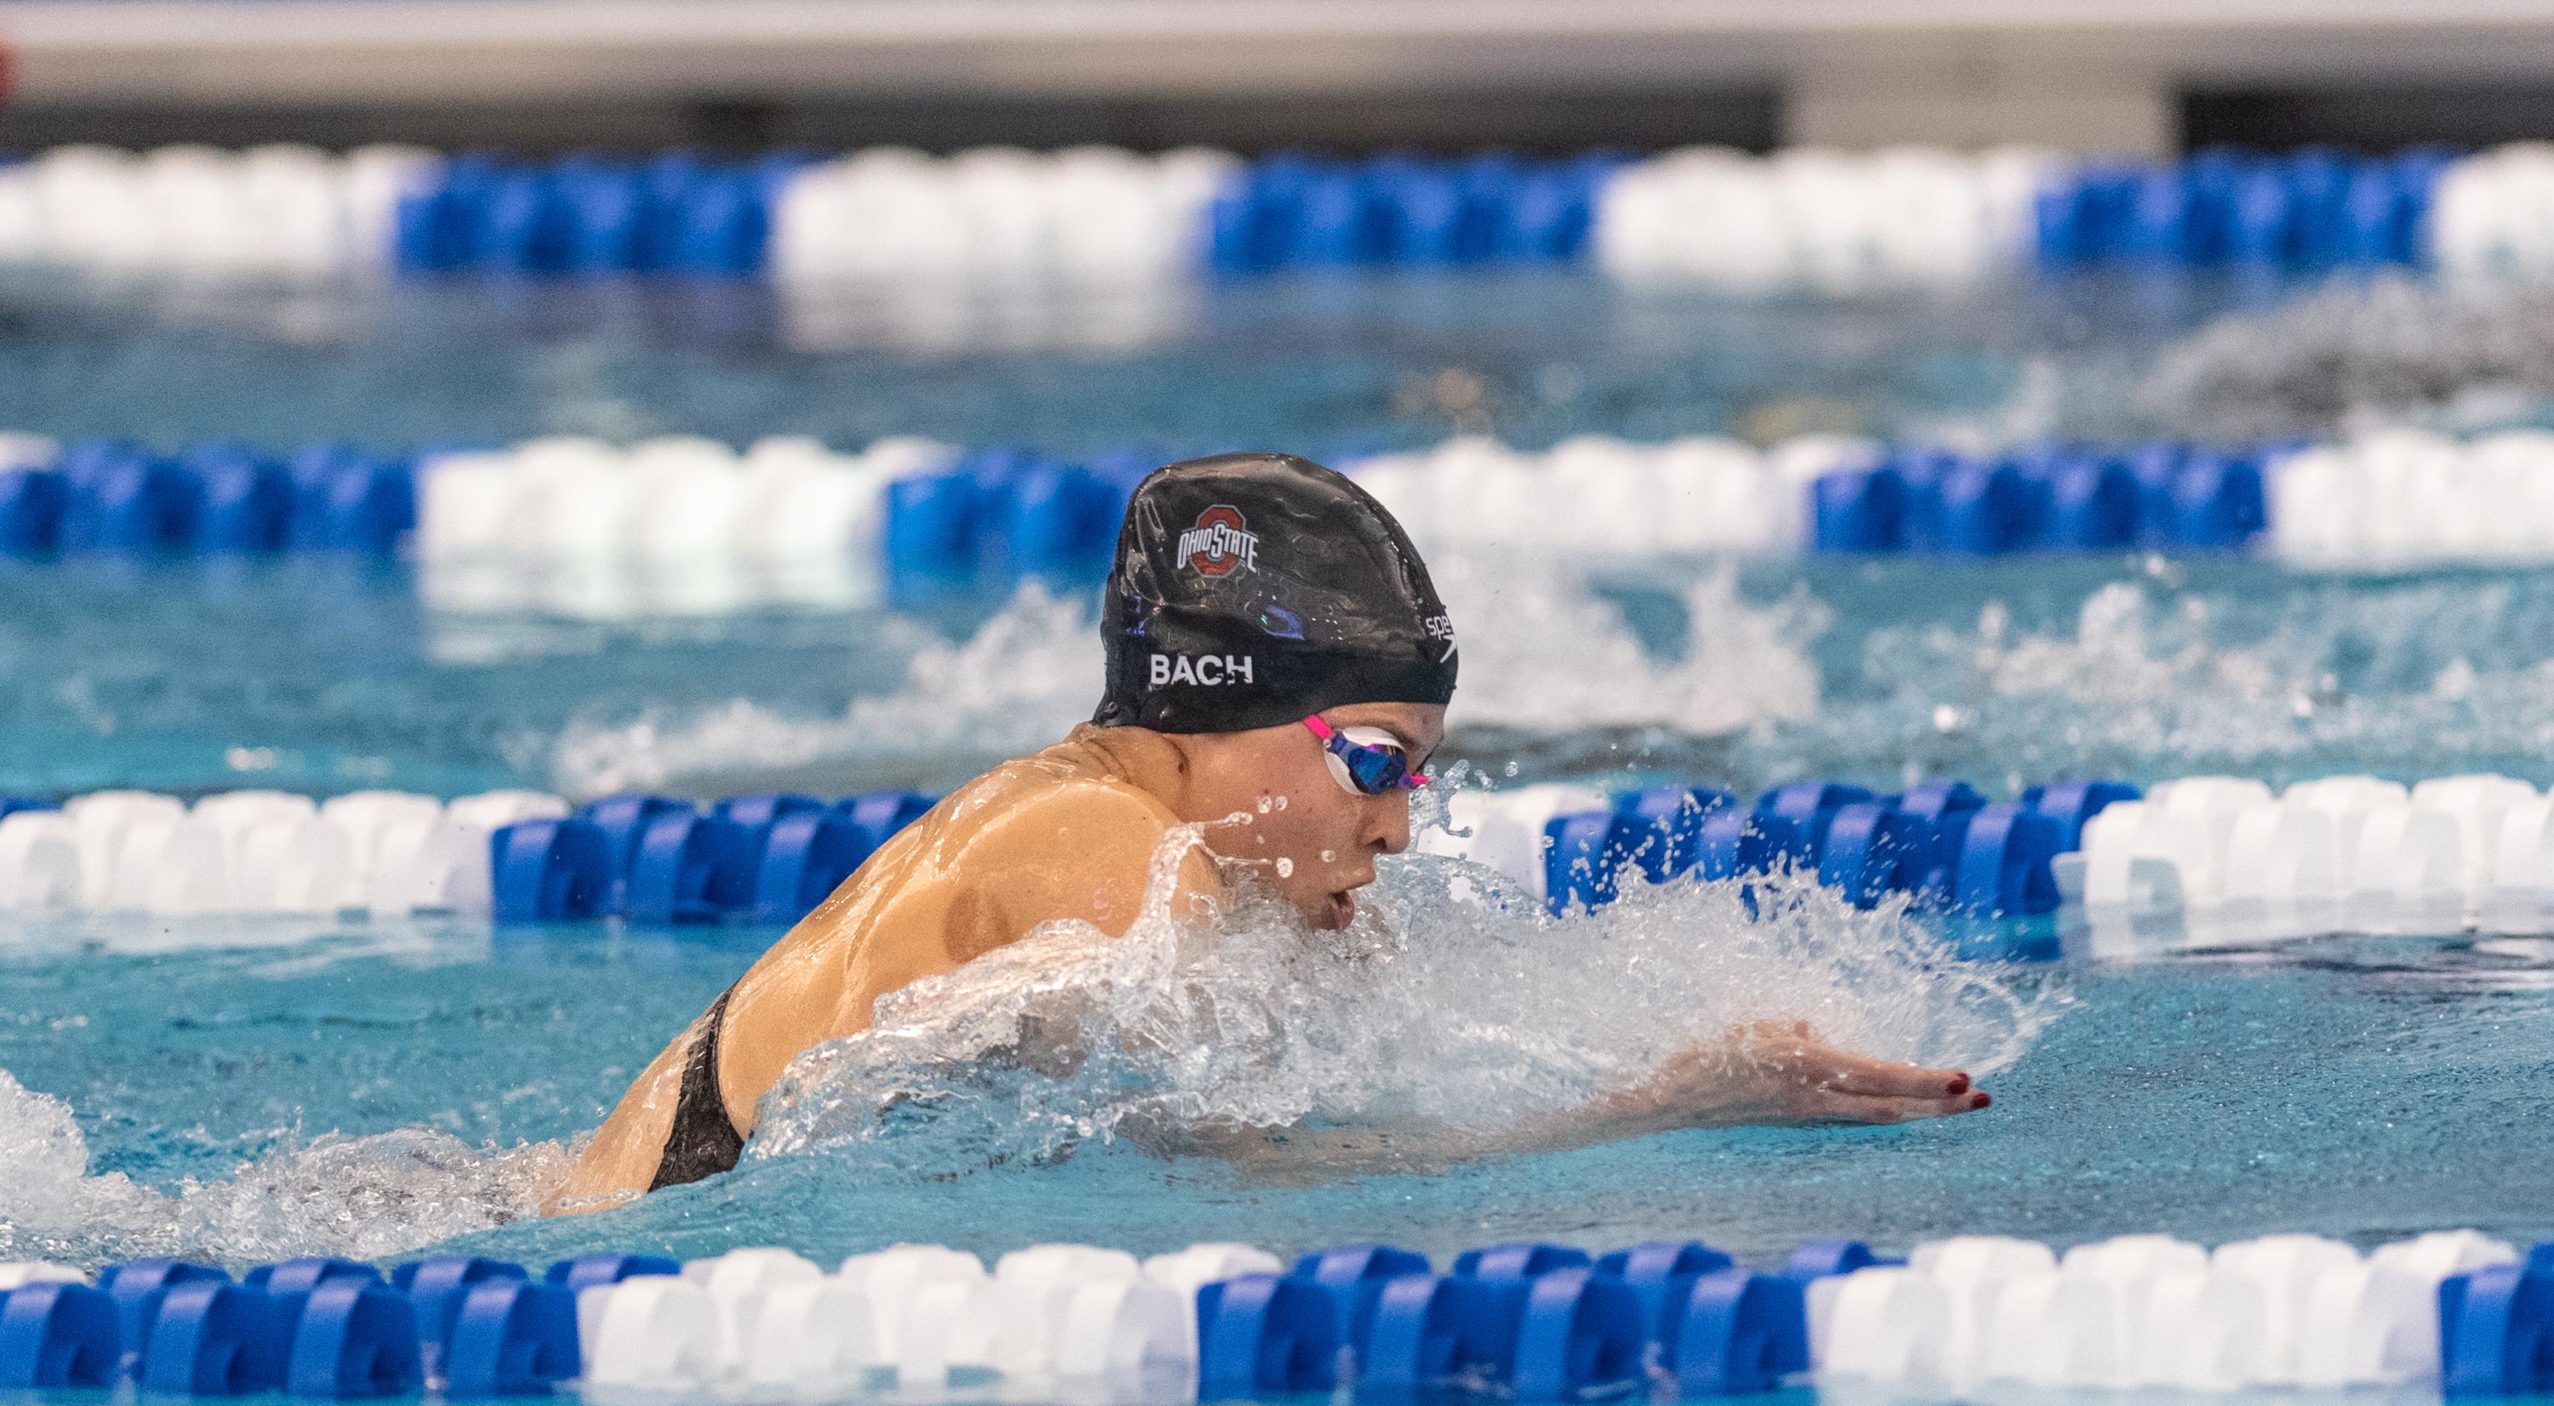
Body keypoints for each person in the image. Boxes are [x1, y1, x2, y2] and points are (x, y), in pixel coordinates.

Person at [556, 453, 1988, 1210]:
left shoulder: (1155, 845)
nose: (1399, 828)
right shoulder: (1108, 847)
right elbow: (1244, 1171)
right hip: (633, 1237)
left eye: (1416, 775)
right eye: (1373, 760)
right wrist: (1672, 1108)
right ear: (1218, 714)